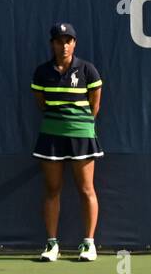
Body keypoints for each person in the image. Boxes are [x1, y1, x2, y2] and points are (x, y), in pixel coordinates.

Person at [31, 22, 103, 261]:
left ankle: (89, 244)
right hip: (51, 136)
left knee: (86, 189)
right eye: (59, 41)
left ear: (74, 43)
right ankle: (52, 245)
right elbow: (41, 103)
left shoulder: (87, 70)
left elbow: (95, 106)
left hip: (82, 135)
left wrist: (78, 124)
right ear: (52, 44)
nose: (64, 45)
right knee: (52, 189)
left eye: (69, 41)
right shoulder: (42, 72)